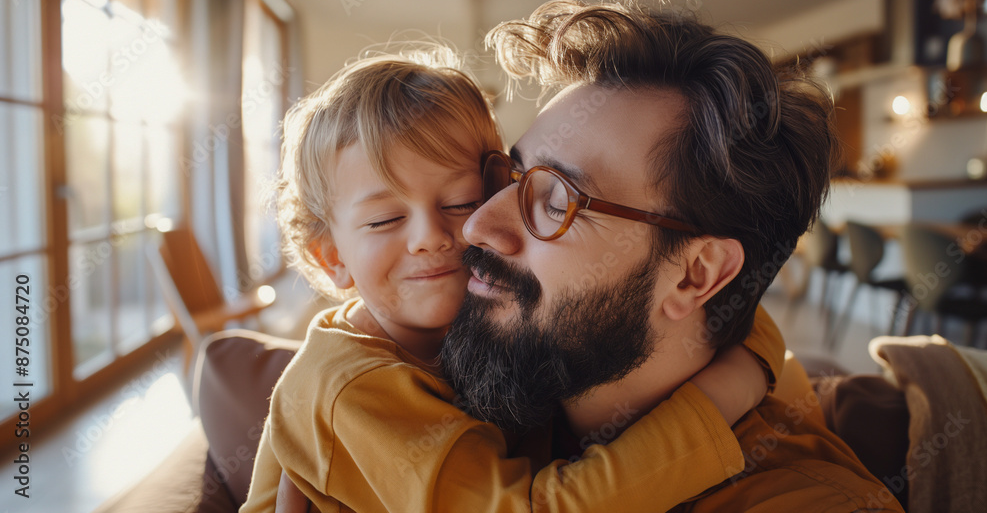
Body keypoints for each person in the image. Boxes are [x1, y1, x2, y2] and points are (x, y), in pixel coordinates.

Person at [241, 47, 788, 513]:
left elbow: (716, 302)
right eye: (385, 220)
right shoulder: (350, 389)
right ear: (332, 256)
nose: (437, 236)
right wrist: (731, 385)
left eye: (463, 201)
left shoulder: (488, 329)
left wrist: (755, 345)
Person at [437, 0, 905, 511]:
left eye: (557, 200)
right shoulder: (500, 391)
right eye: (516, 174)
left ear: (694, 276)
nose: (478, 225)